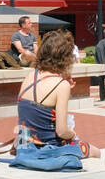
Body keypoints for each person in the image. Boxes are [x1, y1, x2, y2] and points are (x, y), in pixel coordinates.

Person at [14, 31, 97, 159]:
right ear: (65, 58)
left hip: (24, 147)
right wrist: (73, 134)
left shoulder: (30, 76)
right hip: (48, 149)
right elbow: (62, 131)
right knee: (96, 152)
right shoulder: (61, 85)